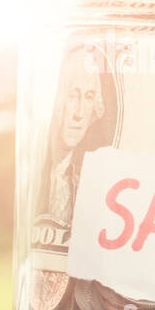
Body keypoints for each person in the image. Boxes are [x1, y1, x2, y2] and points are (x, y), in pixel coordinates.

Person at [41, 44, 108, 227]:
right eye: (73, 95)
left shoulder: (93, 183)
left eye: (88, 97)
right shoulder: (37, 174)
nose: (79, 113)